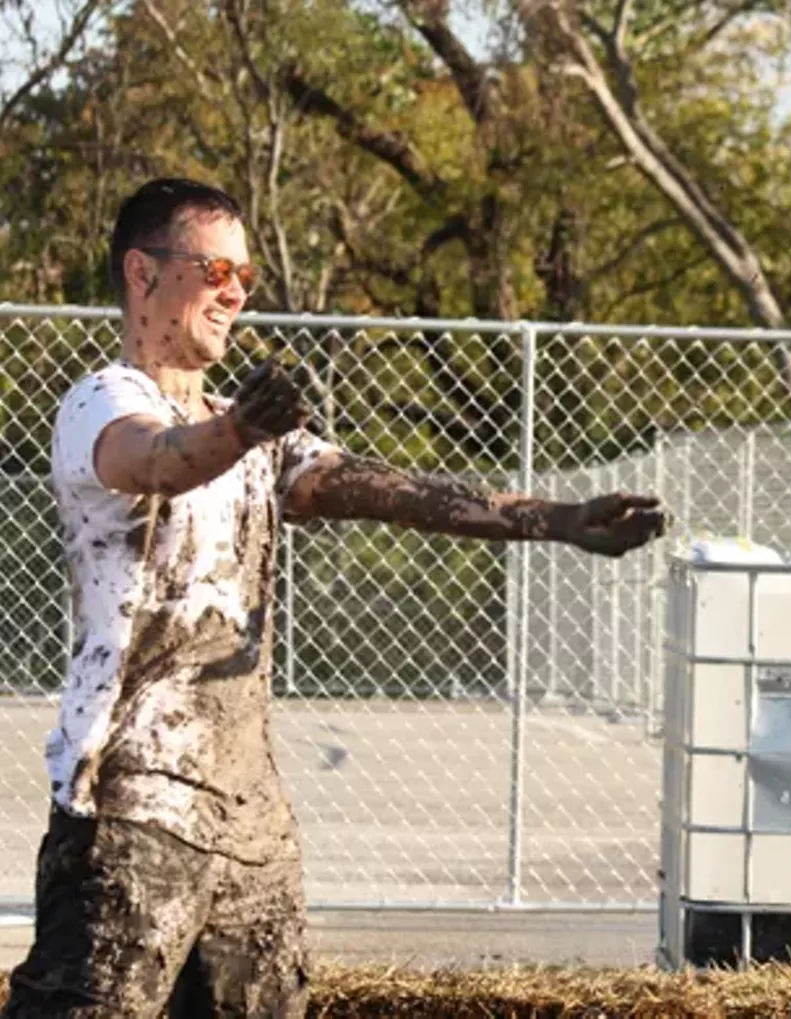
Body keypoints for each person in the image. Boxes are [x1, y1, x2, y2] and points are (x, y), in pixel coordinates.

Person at [1, 178, 668, 1017]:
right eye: (215, 269)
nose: (236, 290)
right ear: (142, 272)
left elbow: (377, 487)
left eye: (244, 274)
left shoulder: (243, 428)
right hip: (135, 801)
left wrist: (554, 518)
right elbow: (155, 461)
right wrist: (238, 430)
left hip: (250, 819)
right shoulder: (106, 399)